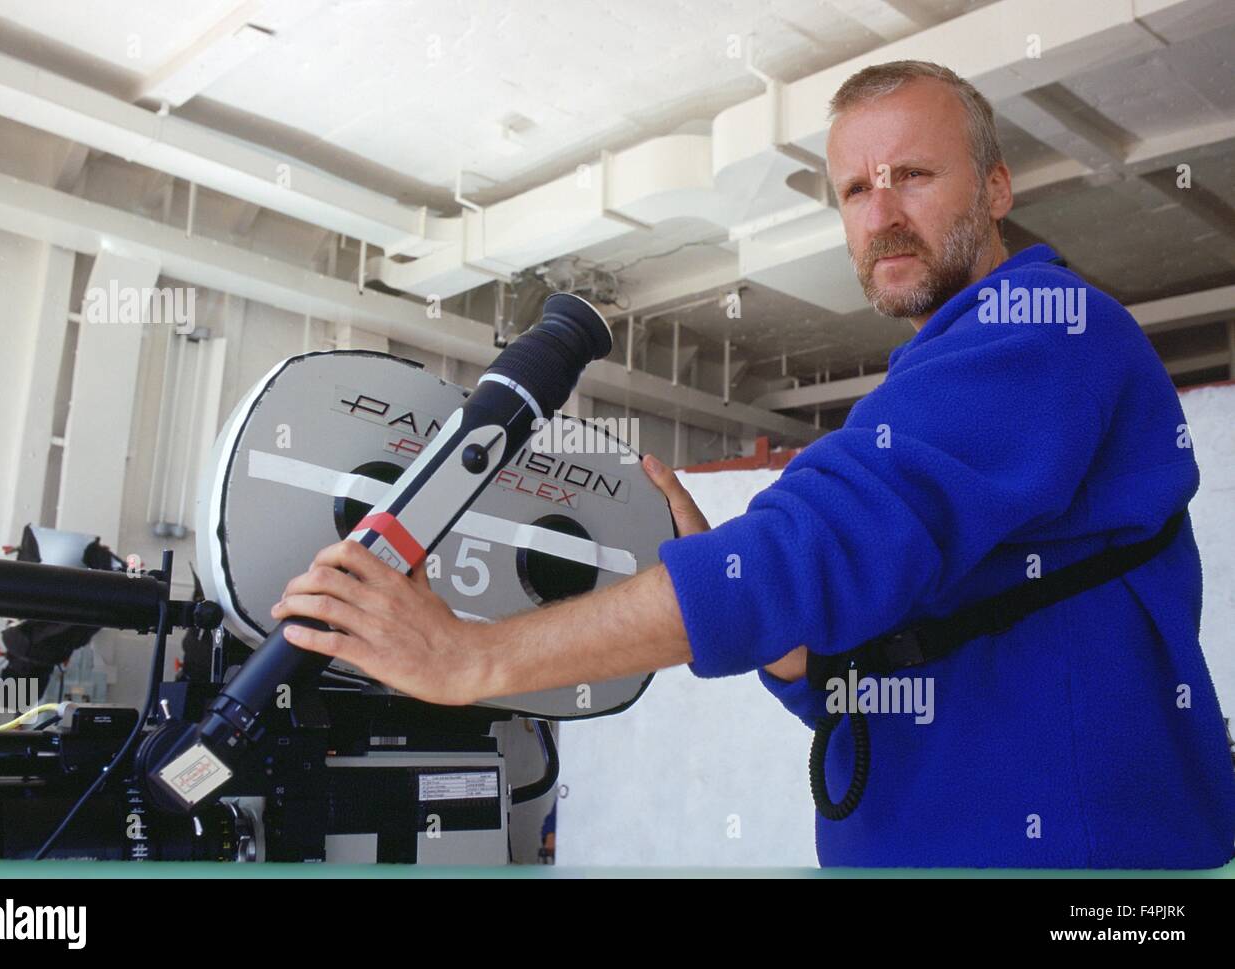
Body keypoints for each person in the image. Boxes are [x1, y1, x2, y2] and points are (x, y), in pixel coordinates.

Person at [269, 61, 1235, 868]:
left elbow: (813, 548)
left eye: (914, 175)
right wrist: (779, 629)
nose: (882, 212)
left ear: (994, 188)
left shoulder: (1046, 332)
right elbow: (882, 671)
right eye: (856, 190)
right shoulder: (935, 377)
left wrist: (468, 656)